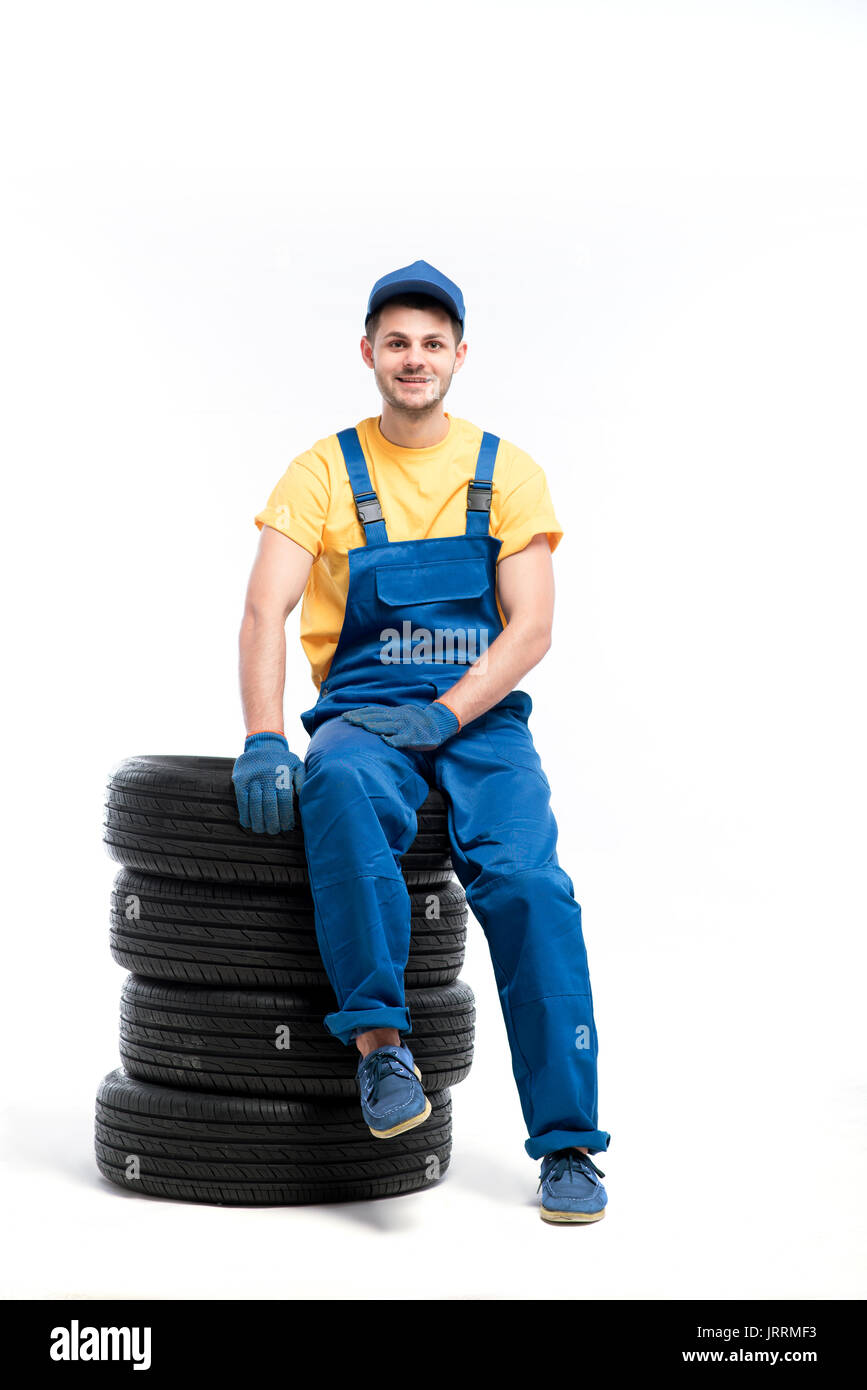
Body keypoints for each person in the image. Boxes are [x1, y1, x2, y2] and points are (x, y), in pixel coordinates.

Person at [231, 259, 611, 1222]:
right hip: (362, 709)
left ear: (458, 356)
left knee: (532, 887)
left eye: (431, 343)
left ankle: (569, 1147)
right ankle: (381, 1051)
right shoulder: (322, 470)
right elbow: (264, 609)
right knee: (341, 789)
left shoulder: (505, 470)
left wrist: (446, 714)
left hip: (479, 716)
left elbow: (530, 627)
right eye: (396, 342)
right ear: (368, 352)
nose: (414, 358)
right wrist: (265, 738)